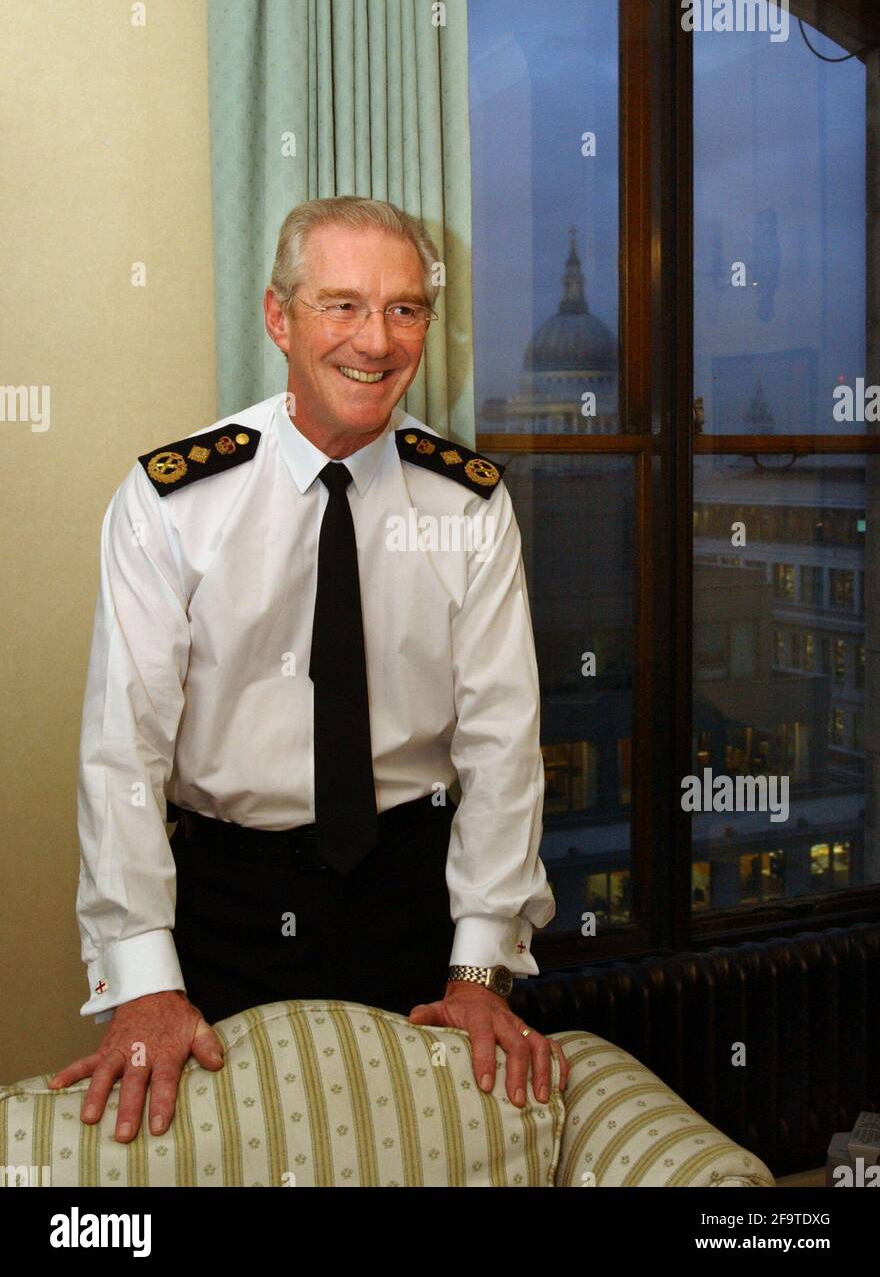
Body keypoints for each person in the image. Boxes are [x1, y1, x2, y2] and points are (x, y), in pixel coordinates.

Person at [48, 196, 569, 1147]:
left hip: (415, 894)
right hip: (222, 903)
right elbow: (120, 754)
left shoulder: (468, 506)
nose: (376, 340)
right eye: (342, 306)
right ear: (278, 318)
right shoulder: (173, 503)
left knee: (427, 1156)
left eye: (405, 309)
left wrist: (482, 968)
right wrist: (146, 981)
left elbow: (502, 745)